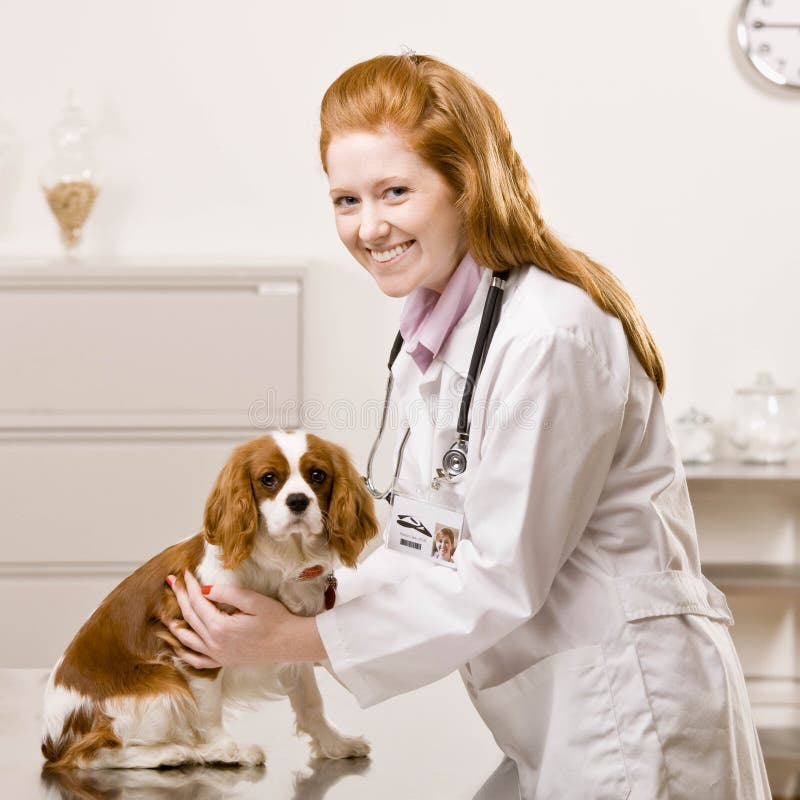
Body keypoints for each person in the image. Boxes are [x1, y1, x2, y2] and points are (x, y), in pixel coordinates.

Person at [167, 52, 771, 799]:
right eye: (345, 200)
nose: (369, 226)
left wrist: (295, 637)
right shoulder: (441, 334)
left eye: (394, 191)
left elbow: (495, 574)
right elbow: (433, 539)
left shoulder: (550, 334)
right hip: (554, 709)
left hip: (628, 711)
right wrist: (304, 589)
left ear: (465, 183)